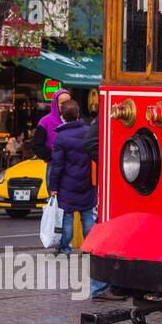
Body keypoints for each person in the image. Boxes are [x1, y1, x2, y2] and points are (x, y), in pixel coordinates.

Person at [50, 99, 111, 299]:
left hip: (67, 184)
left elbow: (57, 165)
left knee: (67, 217)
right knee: (88, 218)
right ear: (78, 115)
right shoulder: (88, 132)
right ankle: (90, 247)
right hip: (86, 183)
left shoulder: (61, 138)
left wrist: (54, 187)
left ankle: (65, 248)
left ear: (63, 116)